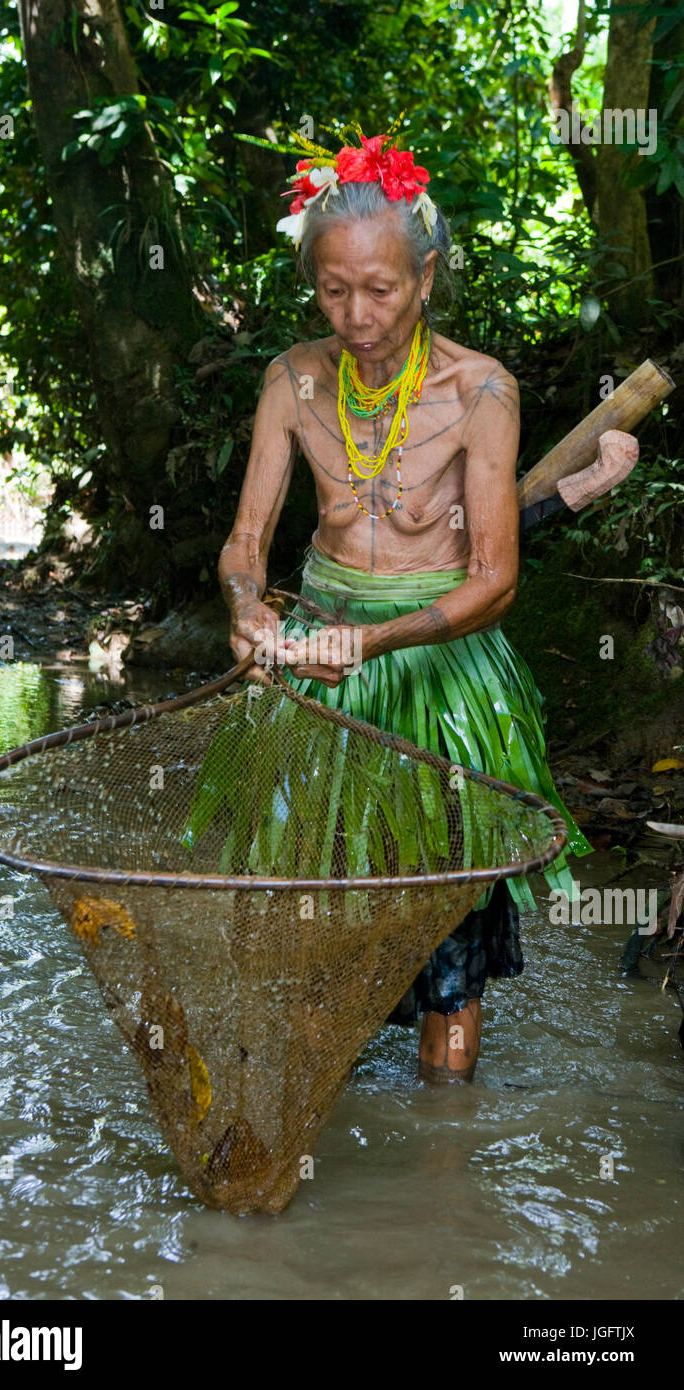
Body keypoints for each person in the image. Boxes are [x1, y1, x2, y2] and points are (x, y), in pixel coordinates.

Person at [218, 123, 593, 1084]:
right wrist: (247, 610)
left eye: (380, 289)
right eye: (332, 290)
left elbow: (494, 582)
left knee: (447, 917)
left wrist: (368, 641)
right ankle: (316, 1134)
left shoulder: (484, 392)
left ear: (425, 278)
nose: (356, 314)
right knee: (307, 894)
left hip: (441, 676)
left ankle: (442, 1147)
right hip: (316, 665)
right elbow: (246, 546)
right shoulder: (292, 380)